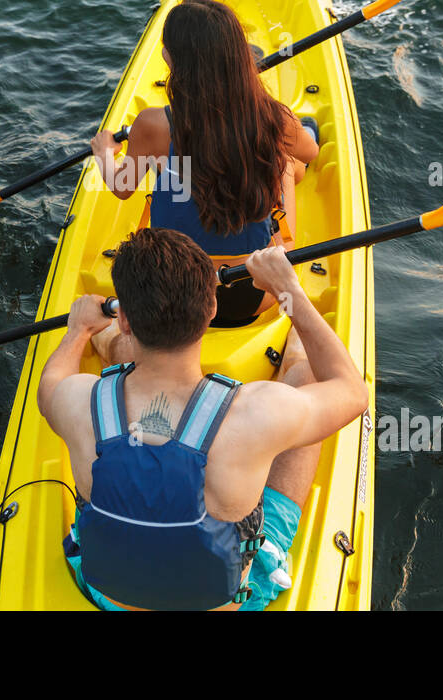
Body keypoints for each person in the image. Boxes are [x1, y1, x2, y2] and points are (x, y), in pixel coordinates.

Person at [37, 227, 367, 611]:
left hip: (108, 597)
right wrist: (289, 292)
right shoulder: (259, 411)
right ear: (211, 309)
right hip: (224, 604)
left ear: (124, 320)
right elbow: (351, 392)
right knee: (307, 374)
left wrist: (78, 330)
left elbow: (49, 386)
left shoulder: (79, 401)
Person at [89, 0, 319, 339]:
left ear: (169, 58)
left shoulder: (153, 125)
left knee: (176, 167)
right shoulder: (275, 117)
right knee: (286, 162)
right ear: (241, 57)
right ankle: (287, 169)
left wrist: (103, 152)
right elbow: (312, 152)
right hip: (250, 294)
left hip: (172, 296)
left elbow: (122, 187)